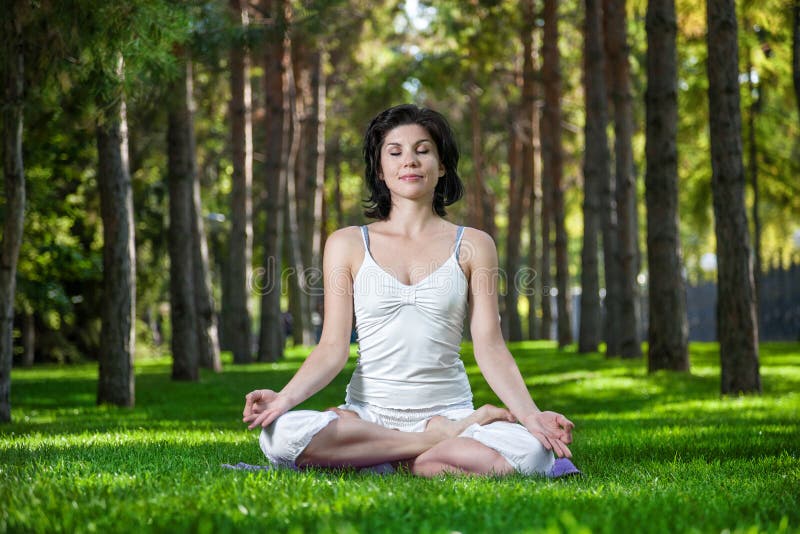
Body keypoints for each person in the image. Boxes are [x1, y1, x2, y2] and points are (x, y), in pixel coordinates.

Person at [242, 104, 576, 477]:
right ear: (380, 170)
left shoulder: (475, 245)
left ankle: (375, 456)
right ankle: (431, 449)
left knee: (534, 453)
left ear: (442, 164)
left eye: (423, 150)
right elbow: (332, 348)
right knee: (279, 435)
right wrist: (283, 399)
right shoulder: (347, 243)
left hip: (447, 410)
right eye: (395, 152)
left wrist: (531, 416)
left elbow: (490, 345)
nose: (410, 162)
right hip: (369, 414)